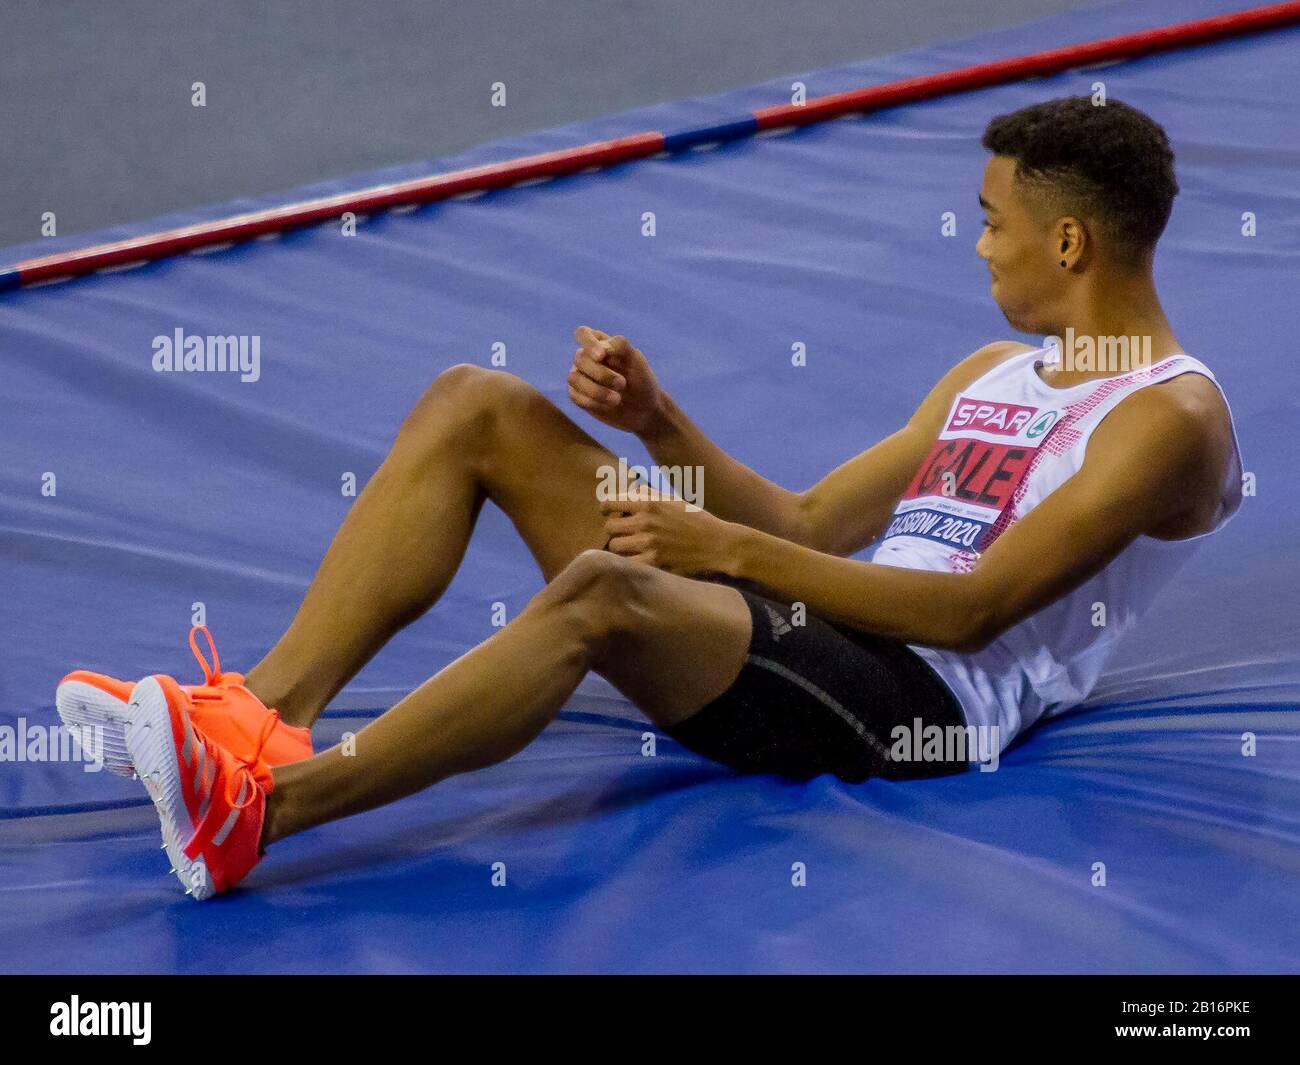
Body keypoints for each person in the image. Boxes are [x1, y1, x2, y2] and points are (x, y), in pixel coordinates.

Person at [57, 96, 1241, 899]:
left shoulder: (1169, 420)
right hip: (820, 619)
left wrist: (720, 552)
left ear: (1072, 242)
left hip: (917, 704)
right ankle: (251, 720)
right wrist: (655, 425)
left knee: (603, 595)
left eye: (993, 225)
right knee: (480, 405)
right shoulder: (993, 373)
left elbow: (967, 614)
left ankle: (261, 814)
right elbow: (814, 526)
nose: (979, 248)